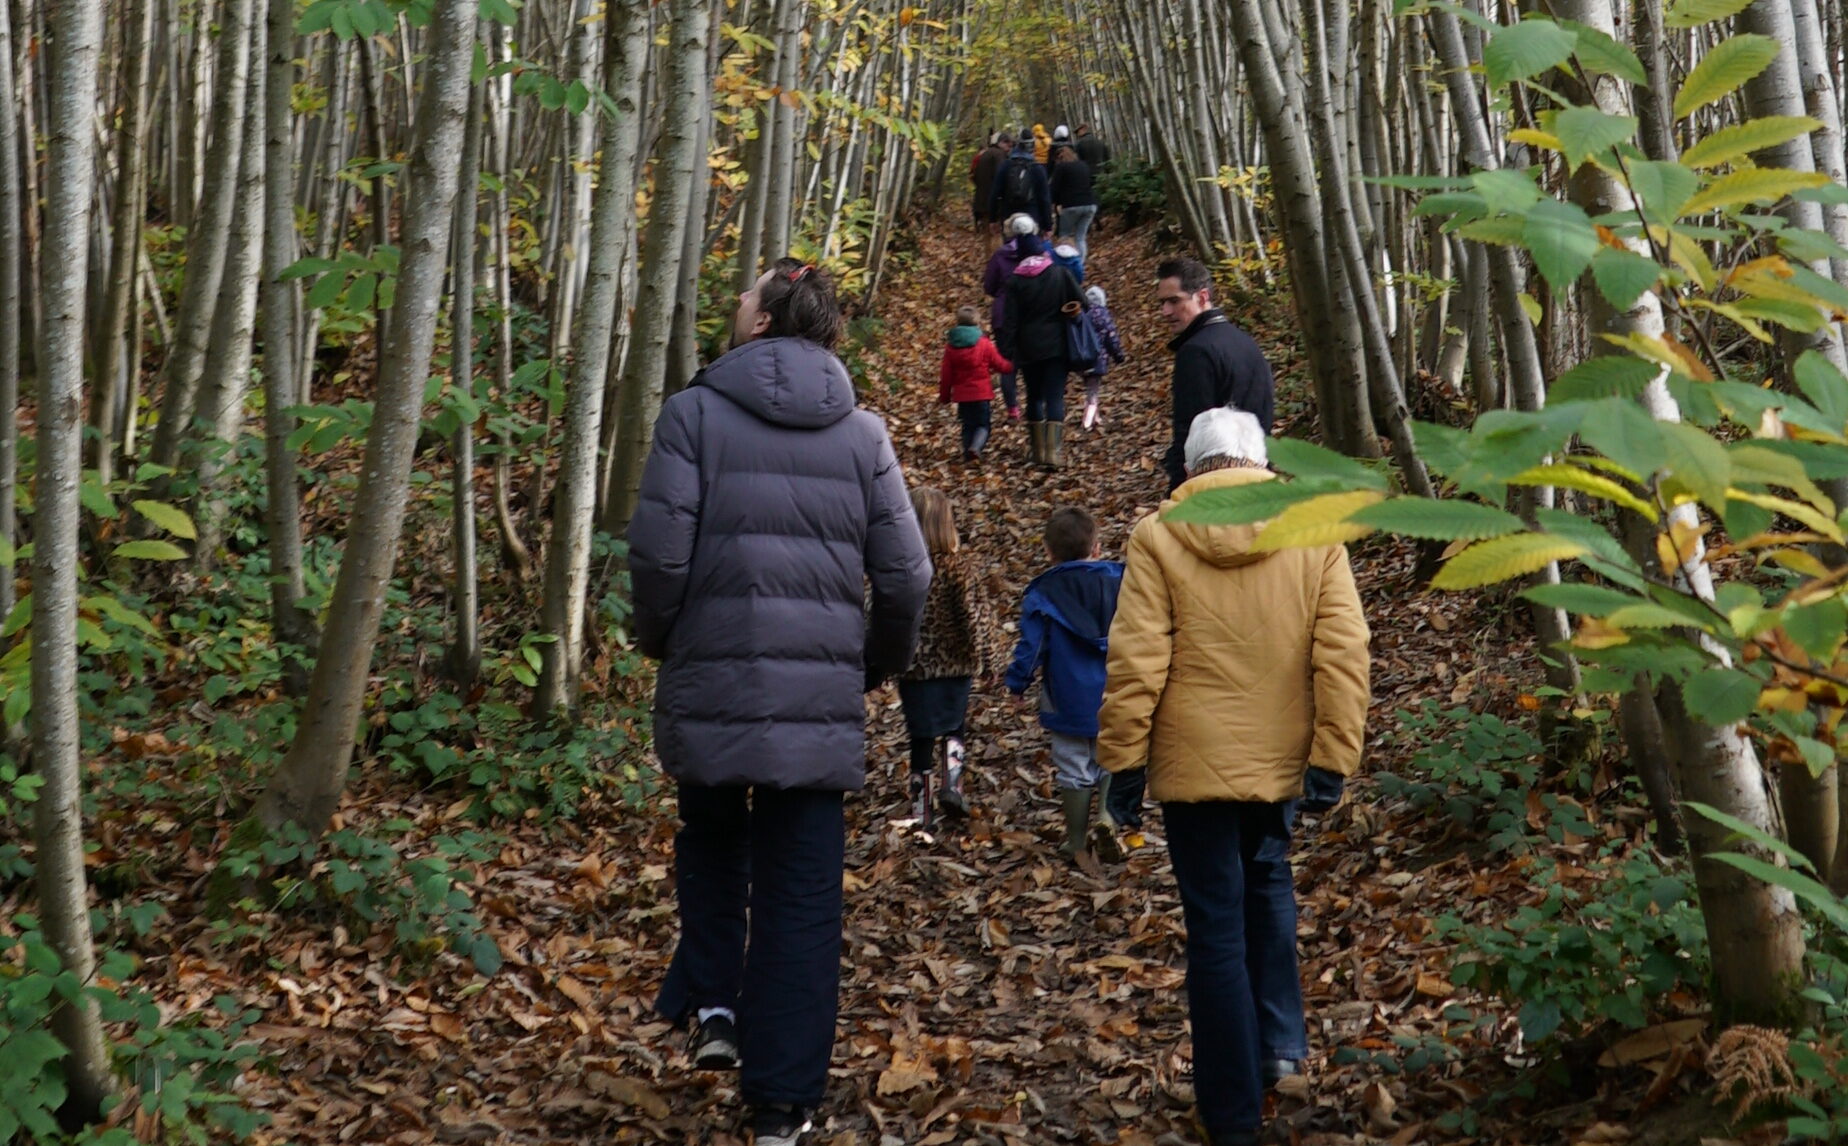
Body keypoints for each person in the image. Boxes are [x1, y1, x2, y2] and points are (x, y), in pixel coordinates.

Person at [629, 258, 933, 1146]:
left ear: (763, 321)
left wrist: (665, 640)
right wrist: (872, 663)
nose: (735, 301)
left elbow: (659, 559)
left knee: (713, 843)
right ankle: (780, 1106)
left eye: (745, 293)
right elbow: (907, 576)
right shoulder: (864, 435)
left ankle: (717, 1007)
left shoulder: (692, 415)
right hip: (817, 696)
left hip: (714, 679)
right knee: (802, 895)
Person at [1097, 409, 1370, 1146]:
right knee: (1269, 881)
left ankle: (1231, 1110)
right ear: (1262, 465)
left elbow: (1137, 659)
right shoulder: (1313, 531)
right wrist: (1333, 755)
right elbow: (1344, 651)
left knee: (1215, 926)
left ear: (1192, 469)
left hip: (1193, 767)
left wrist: (1123, 763)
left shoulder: (1159, 534)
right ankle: (1279, 1047)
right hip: (1280, 762)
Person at [1004, 506, 1125, 863]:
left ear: (1048, 552)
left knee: (1073, 765)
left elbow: (1032, 647)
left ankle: (1075, 839)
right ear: (1097, 548)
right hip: (1116, 690)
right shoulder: (1122, 582)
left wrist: (1018, 683)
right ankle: (1107, 818)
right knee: (1113, 757)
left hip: (1067, 695)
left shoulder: (1044, 594)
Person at [898, 487, 1002, 827]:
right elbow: (976, 617)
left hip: (915, 669)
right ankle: (952, 786)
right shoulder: (960, 569)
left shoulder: (903, 572)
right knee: (955, 725)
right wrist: (988, 658)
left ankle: (921, 812)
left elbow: (882, 615)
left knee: (921, 735)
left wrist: (880, 660)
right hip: (956, 665)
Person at [1156, 257, 1275, 494]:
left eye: (1174, 301)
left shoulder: (1196, 352)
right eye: (1162, 302)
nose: (1165, 311)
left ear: (1202, 297)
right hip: (1259, 475)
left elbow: (1190, 431)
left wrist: (1176, 495)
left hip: (1218, 486)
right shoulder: (1243, 341)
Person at [996, 232, 1084, 470]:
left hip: (1027, 348)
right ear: (1042, 251)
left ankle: (1037, 451)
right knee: (1055, 396)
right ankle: (1053, 453)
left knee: (1034, 396)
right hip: (1057, 346)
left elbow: (1010, 321)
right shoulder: (1060, 273)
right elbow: (1082, 301)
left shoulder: (1015, 282)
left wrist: (1005, 352)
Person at [983, 213, 1039, 420]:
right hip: (1030, 313)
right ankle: (1036, 403)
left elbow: (989, 285)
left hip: (1003, 314)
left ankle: (1012, 407)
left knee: (1007, 363)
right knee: (1033, 360)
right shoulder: (1039, 254)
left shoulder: (1000, 255)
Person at [938, 304, 1011, 461]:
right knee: (983, 425)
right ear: (977, 322)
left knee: (967, 425)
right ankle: (976, 447)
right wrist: (1011, 366)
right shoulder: (984, 343)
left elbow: (946, 374)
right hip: (981, 394)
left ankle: (967, 454)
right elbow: (998, 363)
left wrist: (944, 395)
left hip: (962, 396)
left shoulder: (951, 347)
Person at [1078, 285, 1124, 433]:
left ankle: (1095, 418)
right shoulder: (1103, 315)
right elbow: (1111, 337)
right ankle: (1087, 422)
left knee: (1091, 388)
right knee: (1093, 391)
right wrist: (1118, 355)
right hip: (1097, 359)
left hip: (1081, 359)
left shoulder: (1082, 314)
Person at [989, 133, 1053, 235]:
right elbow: (1044, 199)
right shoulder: (1038, 169)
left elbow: (994, 194)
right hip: (1032, 217)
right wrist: (1047, 226)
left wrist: (992, 219)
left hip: (1009, 217)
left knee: (1011, 244)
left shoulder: (1005, 166)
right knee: (1031, 244)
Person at [1050, 146, 1099, 263]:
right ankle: (1080, 264)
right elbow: (1091, 182)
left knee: (1064, 235)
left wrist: (1054, 203)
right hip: (1090, 204)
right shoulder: (1083, 165)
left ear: (1059, 158)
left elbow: (1054, 188)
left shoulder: (1061, 167)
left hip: (1071, 205)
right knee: (1080, 238)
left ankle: (1066, 264)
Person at [971, 133, 1010, 230]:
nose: (1009, 148)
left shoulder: (985, 153)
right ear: (1001, 143)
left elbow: (974, 175)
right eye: (1007, 144)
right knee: (994, 231)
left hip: (981, 199)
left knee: (986, 229)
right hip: (993, 201)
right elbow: (1001, 176)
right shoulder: (999, 155)